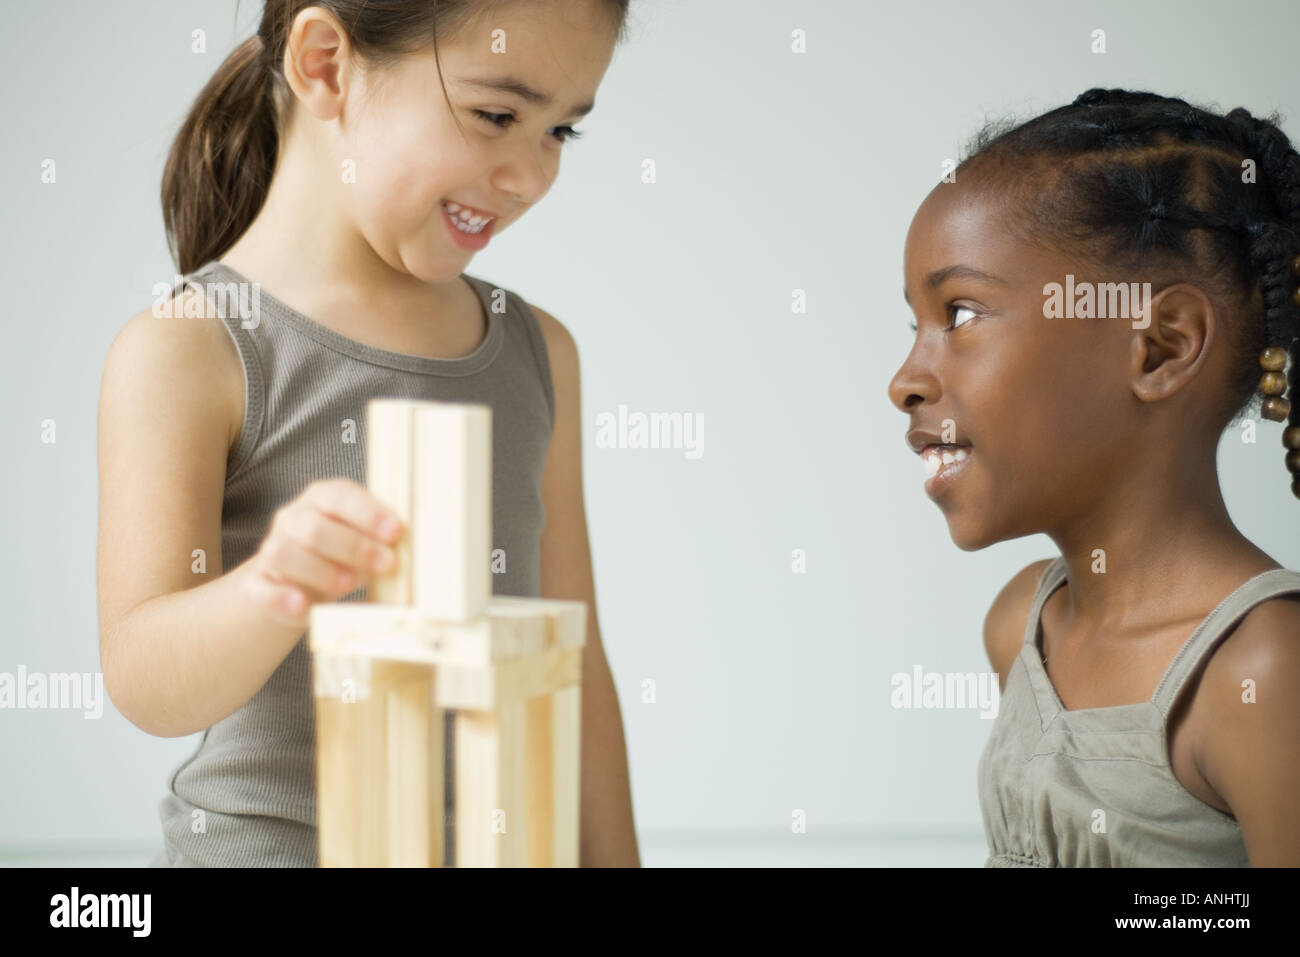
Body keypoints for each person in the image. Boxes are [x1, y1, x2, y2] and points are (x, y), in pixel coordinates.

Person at [96, 0, 639, 867]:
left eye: (560, 133)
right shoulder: (189, 348)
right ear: (324, 64)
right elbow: (146, 679)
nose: (532, 176)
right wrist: (272, 585)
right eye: (497, 115)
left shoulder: (540, 354)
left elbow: (575, 668)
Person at [890, 88, 1300, 866]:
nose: (904, 380)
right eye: (914, 325)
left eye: (963, 315)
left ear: (1159, 347)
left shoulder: (1265, 668)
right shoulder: (1022, 626)